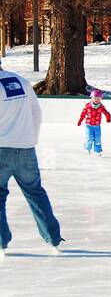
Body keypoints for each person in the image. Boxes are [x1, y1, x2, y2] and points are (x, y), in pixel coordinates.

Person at [0, 60, 63, 257]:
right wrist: (30, 139)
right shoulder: (21, 81)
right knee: (35, 192)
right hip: (26, 148)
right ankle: (52, 237)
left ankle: (1, 241)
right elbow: (36, 113)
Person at [77, 90, 111, 156]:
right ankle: (87, 148)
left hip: (97, 126)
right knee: (89, 138)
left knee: (97, 139)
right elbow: (83, 113)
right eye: (95, 98)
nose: (96, 100)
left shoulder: (101, 106)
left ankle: (97, 151)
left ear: (101, 99)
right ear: (92, 98)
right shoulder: (88, 106)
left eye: (98, 99)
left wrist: (108, 117)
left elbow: (106, 112)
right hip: (89, 125)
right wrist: (80, 120)